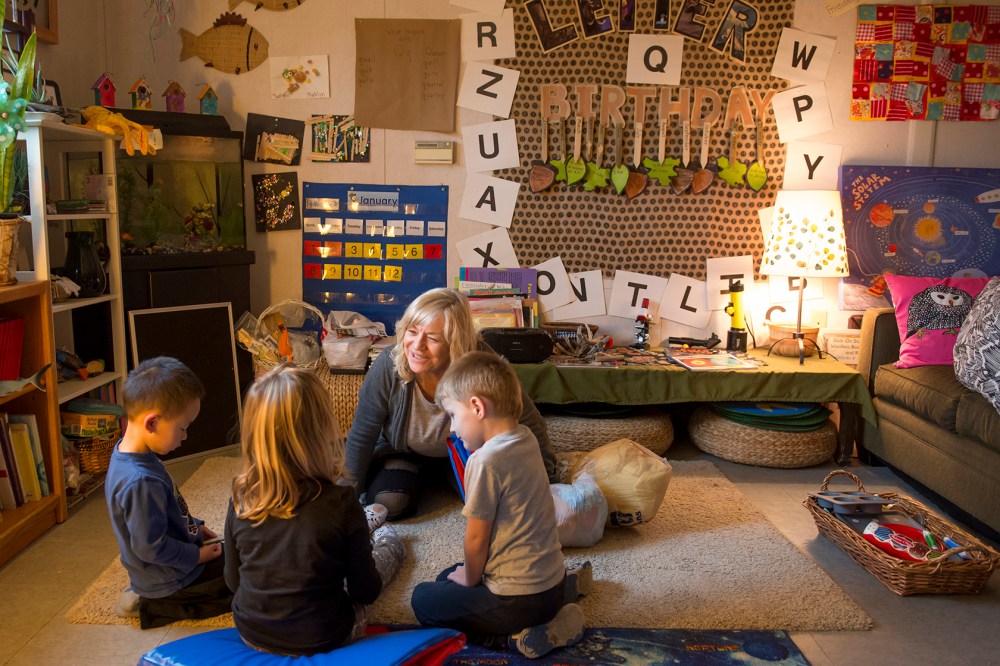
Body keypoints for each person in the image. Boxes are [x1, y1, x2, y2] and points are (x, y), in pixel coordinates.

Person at [411, 352, 587, 659]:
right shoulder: (526, 437)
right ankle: (565, 591)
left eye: (452, 415)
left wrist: (470, 579)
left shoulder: (485, 461)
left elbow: (476, 539)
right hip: (549, 582)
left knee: (424, 599)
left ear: (477, 407)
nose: (452, 429)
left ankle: (515, 638)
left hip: (516, 601)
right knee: (446, 577)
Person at [224, 363, 405, 656]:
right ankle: (376, 532)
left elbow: (234, 581)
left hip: (251, 632)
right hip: (326, 634)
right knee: (389, 547)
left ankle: (364, 525)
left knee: (335, 536)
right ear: (322, 431)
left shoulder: (240, 497)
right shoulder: (341, 501)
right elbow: (365, 591)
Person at [345, 287, 558, 520]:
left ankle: (446, 476)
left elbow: (528, 420)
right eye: (412, 331)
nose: (417, 345)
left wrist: (548, 482)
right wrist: (344, 501)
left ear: (454, 343)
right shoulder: (389, 364)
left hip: (465, 450)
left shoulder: (481, 364)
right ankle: (419, 478)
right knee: (390, 504)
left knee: (497, 507)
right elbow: (362, 436)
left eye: (432, 338)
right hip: (404, 451)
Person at [105, 356, 233, 629]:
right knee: (243, 578)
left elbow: (169, 510)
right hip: (172, 580)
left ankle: (146, 590)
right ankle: (152, 604)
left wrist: (196, 529)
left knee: (237, 550)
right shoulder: (139, 481)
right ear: (151, 423)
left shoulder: (134, 455)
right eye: (182, 428)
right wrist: (196, 556)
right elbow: (150, 546)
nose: (185, 437)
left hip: (170, 564)